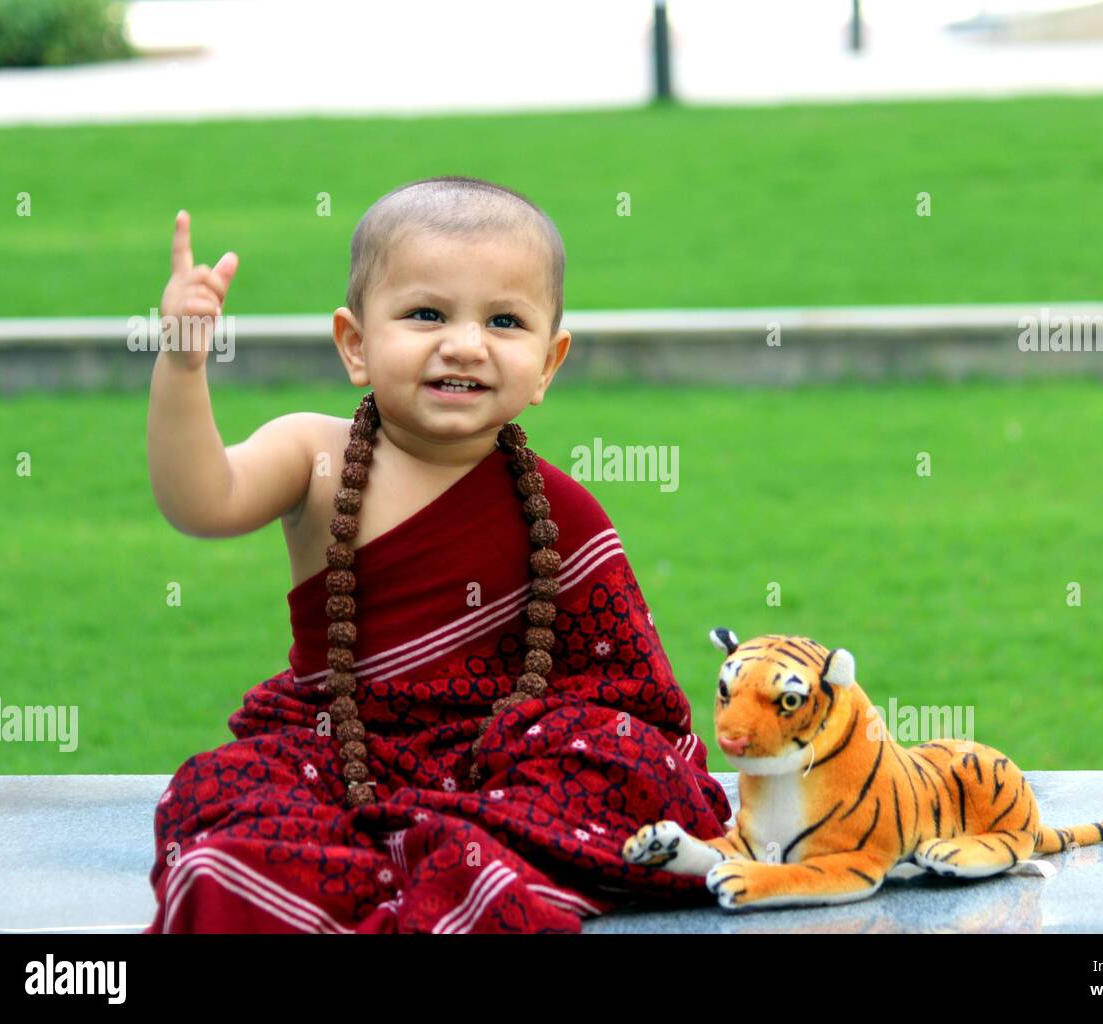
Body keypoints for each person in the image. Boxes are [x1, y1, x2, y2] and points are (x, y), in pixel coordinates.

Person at [143, 175, 731, 933]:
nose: (464, 343)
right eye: (425, 314)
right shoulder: (313, 455)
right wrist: (183, 369)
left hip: (504, 769)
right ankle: (410, 880)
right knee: (218, 801)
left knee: (630, 767)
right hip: (338, 752)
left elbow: (624, 691)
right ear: (356, 344)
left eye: (504, 321)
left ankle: (461, 874)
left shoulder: (557, 510)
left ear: (548, 364)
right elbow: (203, 501)